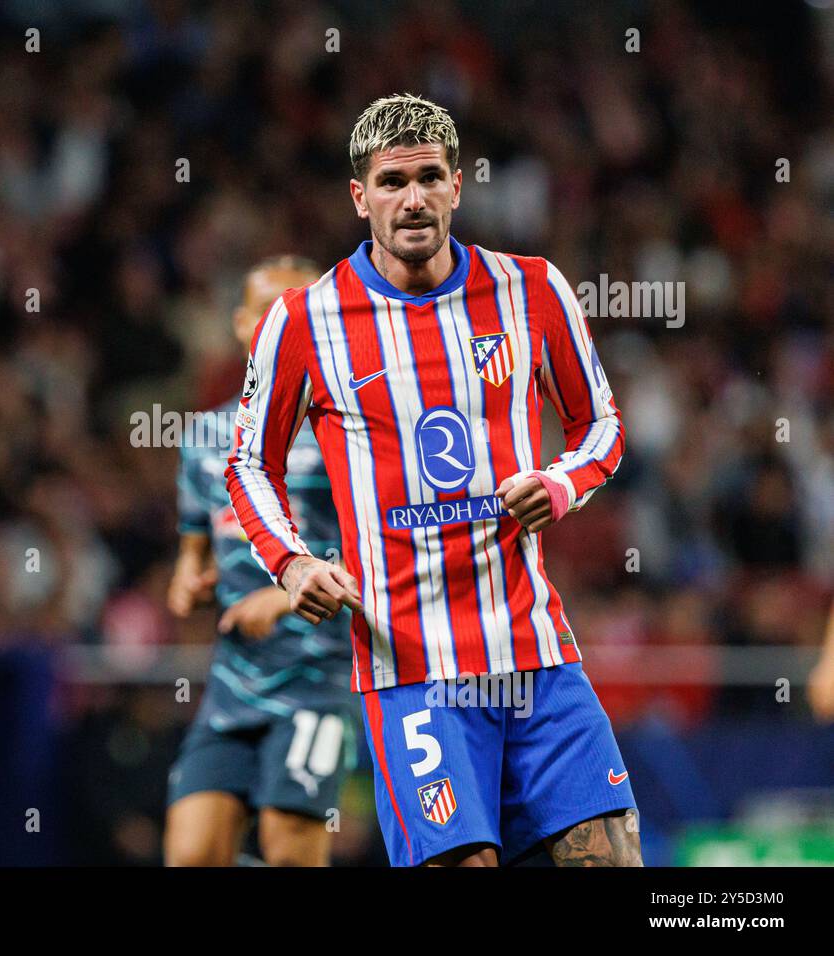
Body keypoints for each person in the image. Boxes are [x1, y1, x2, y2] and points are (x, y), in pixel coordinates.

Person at [225, 93, 641, 866]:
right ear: (360, 197)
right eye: (391, 182)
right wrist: (294, 562)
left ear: (458, 184)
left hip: (538, 659)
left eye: (429, 177)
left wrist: (558, 483)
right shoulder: (305, 320)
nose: (412, 199)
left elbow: (603, 427)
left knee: (612, 860)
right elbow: (250, 463)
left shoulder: (533, 289)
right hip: (411, 671)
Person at [164, 257, 355, 866]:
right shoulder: (205, 438)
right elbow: (192, 553)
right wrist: (189, 582)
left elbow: (381, 548)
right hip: (234, 683)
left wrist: (285, 592)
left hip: (319, 676)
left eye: (292, 309)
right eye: (265, 310)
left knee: (290, 849)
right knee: (193, 854)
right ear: (242, 324)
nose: (278, 321)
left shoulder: (345, 428)